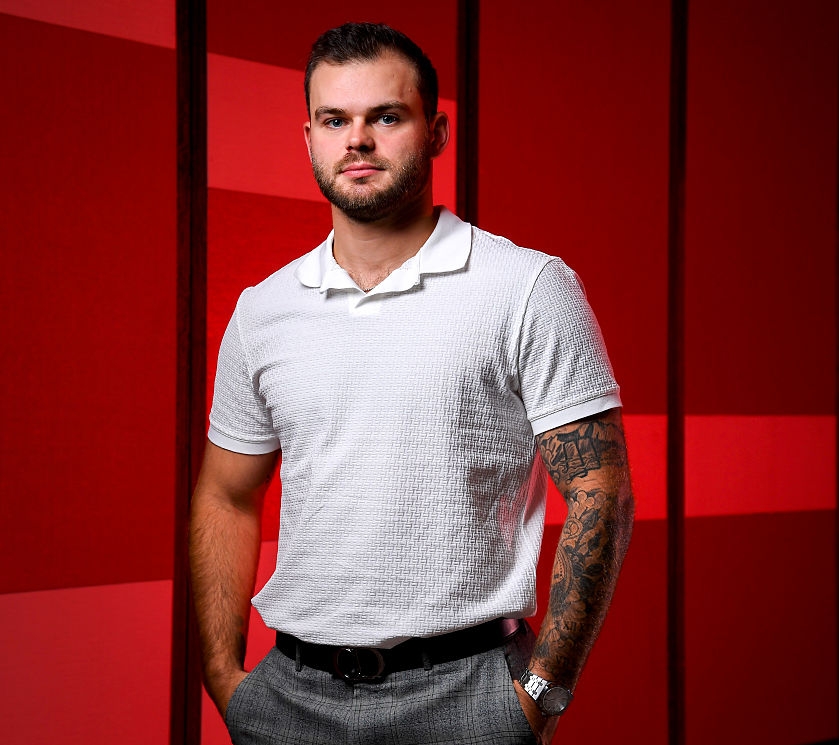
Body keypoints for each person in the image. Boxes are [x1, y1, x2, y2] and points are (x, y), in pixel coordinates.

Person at [189, 22, 634, 745]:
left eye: (385, 117)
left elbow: (601, 488)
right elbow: (225, 492)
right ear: (309, 138)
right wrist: (225, 678)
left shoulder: (526, 287)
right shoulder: (263, 309)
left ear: (436, 132)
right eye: (335, 120)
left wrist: (542, 690)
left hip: (470, 696)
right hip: (289, 701)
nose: (357, 140)